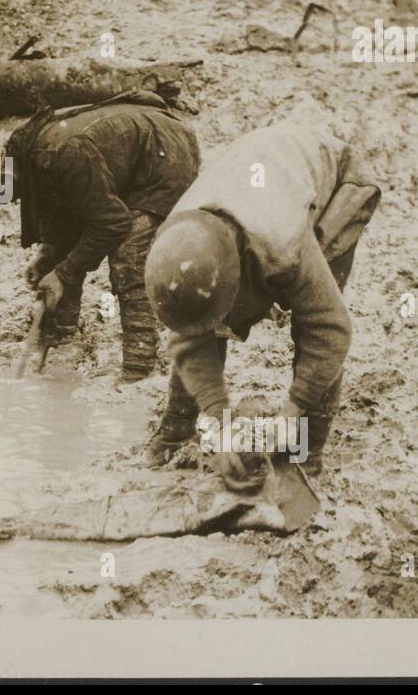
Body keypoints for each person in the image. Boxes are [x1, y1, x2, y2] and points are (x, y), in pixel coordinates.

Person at [142, 123, 380, 479]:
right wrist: (218, 424)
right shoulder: (177, 243)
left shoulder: (284, 245)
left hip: (336, 185)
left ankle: (307, 451)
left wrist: (291, 413)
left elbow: (331, 331)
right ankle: (176, 427)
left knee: (311, 319)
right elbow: (191, 334)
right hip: (258, 181)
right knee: (200, 311)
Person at [0, 91, 200, 382]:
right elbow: (62, 219)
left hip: (165, 157)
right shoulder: (32, 157)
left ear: (5, 173)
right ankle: (62, 340)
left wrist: (64, 273)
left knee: (128, 255)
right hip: (131, 159)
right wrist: (48, 257)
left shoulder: (60, 152)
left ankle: (139, 366)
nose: (3, 202)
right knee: (58, 260)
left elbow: (112, 223)